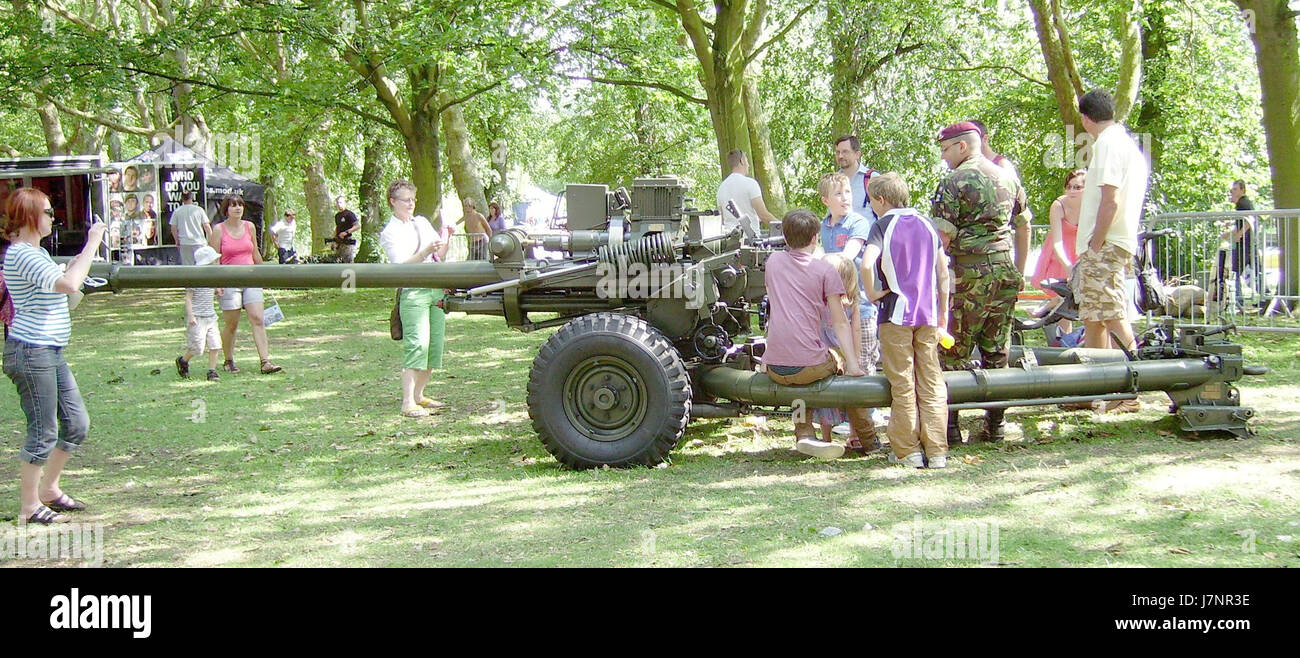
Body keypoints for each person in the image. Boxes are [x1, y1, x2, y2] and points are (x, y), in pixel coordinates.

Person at [3, 187, 107, 524]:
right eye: (48, 211)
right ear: (31, 215)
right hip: (32, 352)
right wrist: (92, 242)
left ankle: (49, 489)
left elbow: (67, 278)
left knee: (76, 424)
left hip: (50, 351)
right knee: (43, 430)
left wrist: (81, 259)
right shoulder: (23, 254)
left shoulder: (37, 253)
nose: (53, 217)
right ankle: (28, 507)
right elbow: (69, 285)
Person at [931, 121, 1030, 444]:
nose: (944, 157)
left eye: (946, 150)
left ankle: (950, 428)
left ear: (962, 146)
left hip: (968, 275)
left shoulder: (954, 181)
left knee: (952, 350)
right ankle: (996, 425)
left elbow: (942, 238)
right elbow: (1024, 224)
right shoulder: (1007, 177)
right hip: (1004, 272)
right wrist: (1020, 269)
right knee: (997, 350)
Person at [861, 173, 952, 469]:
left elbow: (865, 263)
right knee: (931, 381)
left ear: (881, 200)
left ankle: (907, 450)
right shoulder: (928, 224)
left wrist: (873, 292)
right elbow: (942, 276)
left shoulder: (882, 225)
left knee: (902, 383)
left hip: (895, 314)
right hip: (927, 316)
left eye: (871, 200)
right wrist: (943, 317)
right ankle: (937, 450)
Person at [1072, 88, 1150, 416]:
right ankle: (1095, 390)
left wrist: (1094, 244)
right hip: (1113, 242)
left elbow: (1110, 199)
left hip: (1104, 244)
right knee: (1095, 317)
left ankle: (1131, 391)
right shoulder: (1126, 143)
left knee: (1112, 315)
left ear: (1086, 118)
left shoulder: (1106, 144)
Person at [762, 209, 864, 460]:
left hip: (776, 367)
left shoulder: (772, 262)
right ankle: (865, 435)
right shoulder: (825, 271)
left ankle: (804, 432)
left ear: (785, 238)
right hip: (809, 366)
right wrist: (852, 364)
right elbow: (840, 322)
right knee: (826, 365)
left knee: (797, 384)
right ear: (816, 238)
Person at [818, 171, 881, 446]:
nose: (845, 198)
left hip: (861, 306)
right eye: (838, 194)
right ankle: (841, 427)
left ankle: (862, 431)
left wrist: (819, 268)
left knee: (862, 365)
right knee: (841, 364)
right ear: (825, 200)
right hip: (835, 309)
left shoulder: (858, 222)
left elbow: (846, 257)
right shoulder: (825, 226)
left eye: (848, 193)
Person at [379, 180, 451, 418]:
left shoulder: (421, 222)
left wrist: (446, 235)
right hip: (413, 291)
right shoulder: (390, 232)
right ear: (393, 202)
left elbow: (439, 254)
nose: (411, 204)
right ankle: (407, 402)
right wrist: (424, 252)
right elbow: (400, 267)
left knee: (434, 346)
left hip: (435, 288)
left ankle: (420, 395)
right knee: (417, 345)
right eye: (405, 200)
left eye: (413, 199)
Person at [207, 194, 282, 375]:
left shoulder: (249, 227)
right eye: (233, 206)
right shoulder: (218, 230)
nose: (237, 208)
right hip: (229, 280)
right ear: (227, 209)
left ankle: (265, 361)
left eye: (240, 205)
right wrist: (217, 283)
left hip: (251, 278)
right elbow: (213, 258)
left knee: (257, 318)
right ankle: (228, 360)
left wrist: (263, 274)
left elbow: (255, 252)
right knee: (232, 324)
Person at [811, 254, 874, 454]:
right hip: (845, 355)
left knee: (824, 398)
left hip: (825, 355)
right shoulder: (852, 302)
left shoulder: (819, 301)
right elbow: (856, 330)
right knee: (851, 398)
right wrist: (853, 357)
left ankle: (826, 438)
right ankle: (855, 435)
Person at [1030, 169, 1085, 340]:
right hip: (1059, 255)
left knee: (1083, 304)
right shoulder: (1058, 205)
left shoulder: (1093, 206)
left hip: (1081, 254)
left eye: (1077, 187)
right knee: (1064, 305)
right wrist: (1068, 267)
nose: (1072, 191)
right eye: (1068, 187)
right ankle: (1062, 345)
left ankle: (1049, 307)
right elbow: (1057, 242)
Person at [175, 245, 222, 381]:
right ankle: (183, 360)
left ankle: (212, 370)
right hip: (198, 317)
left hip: (211, 316)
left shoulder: (212, 278)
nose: (216, 263)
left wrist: (217, 290)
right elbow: (188, 298)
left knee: (215, 344)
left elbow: (210, 290)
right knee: (197, 347)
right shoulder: (195, 278)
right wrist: (191, 315)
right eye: (214, 261)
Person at [716, 149, 778, 239]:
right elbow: (763, 215)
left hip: (729, 242)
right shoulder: (750, 183)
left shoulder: (721, 188)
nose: (748, 165)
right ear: (742, 161)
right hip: (750, 241)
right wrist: (784, 226)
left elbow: (722, 220)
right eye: (747, 161)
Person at [1220, 180, 1257, 309]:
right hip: (1248, 243)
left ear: (1242, 190)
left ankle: (1239, 301)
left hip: (1245, 244)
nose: (1232, 192)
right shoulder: (1242, 204)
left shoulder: (1243, 203)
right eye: (1232, 190)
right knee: (1255, 271)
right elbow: (1242, 224)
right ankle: (1265, 297)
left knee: (1236, 271)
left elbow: (1249, 220)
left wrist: (1238, 235)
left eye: (1235, 189)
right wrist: (1228, 234)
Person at [832, 135, 878, 220]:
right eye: (838, 152)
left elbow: (886, 213)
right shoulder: (833, 181)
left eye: (845, 152)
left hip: (869, 233)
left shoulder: (872, 178)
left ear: (857, 154)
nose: (840, 156)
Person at [169, 190, 211, 265]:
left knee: (187, 267)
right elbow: (206, 226)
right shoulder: (199, 210)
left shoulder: (177, 211)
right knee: (202, 264)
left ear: (182, 199)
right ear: (192, 197)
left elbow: (173, 227)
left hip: (185, 242)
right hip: (199, 242)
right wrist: (211, 239)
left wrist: (176, 240)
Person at [333, 196, 360, 263]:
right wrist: (334, 240)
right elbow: (337, 228)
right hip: (339, 243)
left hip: (348, 243)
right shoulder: (337, 216)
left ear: (345, 203)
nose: (339, 204)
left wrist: (346, 232)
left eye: (340, 202)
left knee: (348, 264)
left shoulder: (349, 214)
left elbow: (357, 226)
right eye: (337, 203)